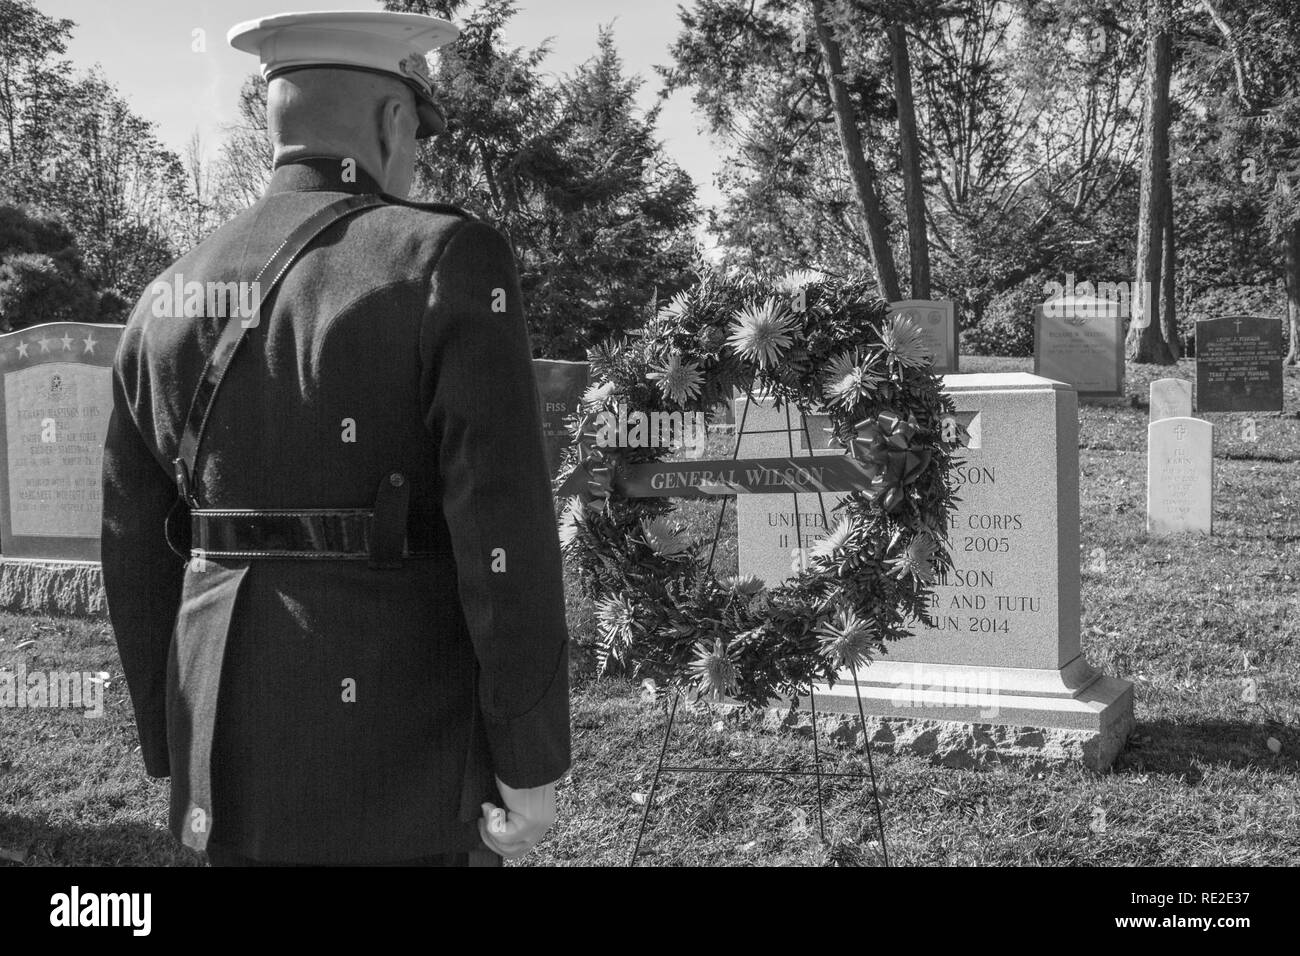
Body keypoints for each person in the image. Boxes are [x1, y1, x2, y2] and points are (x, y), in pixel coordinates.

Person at [101, 9, 570, 867]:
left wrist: (173, 734)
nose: (419, 153)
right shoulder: (446, 258)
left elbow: (133, 544)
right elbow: (501, 524)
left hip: (225, 739)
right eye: (418, 131)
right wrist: (530, 757)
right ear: (394, 120)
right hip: (404, 748)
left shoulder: (163, 296)